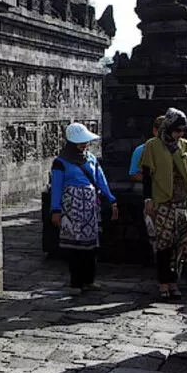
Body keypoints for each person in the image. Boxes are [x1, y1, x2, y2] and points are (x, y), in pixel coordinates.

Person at [50, 123, 118, 295]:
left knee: (91, 245)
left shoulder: (91, 159)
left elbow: (100, 180)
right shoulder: (60, 162)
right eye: (81, 142)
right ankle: (76, 282)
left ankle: (89, 280)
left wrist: (111, 199)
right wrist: (55, 210)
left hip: (89, 207)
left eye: (85, 142)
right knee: (74, 246)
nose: (84, 145)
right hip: (71, 207)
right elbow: (56, 187)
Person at [140, 108, 187, 300]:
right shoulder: (152, 145)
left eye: (183, 131)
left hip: (182, 201)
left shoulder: (185, 146)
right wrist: (148, 199)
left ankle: (175, 281)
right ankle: (163, 283)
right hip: (162, 201)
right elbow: (147, 176)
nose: (180, 134)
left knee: (182, 244)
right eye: (177, 130)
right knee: (164, 244)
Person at [129, 116, 166, 182]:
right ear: (155, 131)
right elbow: (134, 174)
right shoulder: (141, 150)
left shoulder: (181, 150)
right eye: (163, 132)